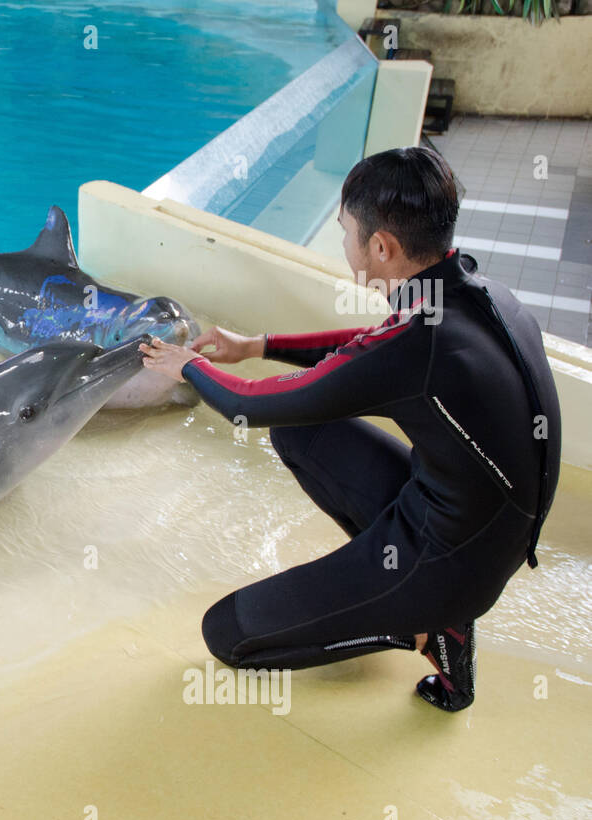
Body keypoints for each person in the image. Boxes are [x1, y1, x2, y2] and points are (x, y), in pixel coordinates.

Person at [140, 146, 561, 712]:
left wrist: (187, 366)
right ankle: (413, 601)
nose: (343, 245)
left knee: (229, 636)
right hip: (471, 521)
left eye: (346, 232)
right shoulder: (471, 292)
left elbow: (248, 406)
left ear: (381, 247)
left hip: (452, 562)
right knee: (301, 432)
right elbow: (368, 350)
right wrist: (258, 345)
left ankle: (426, 627)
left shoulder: (422, 344)